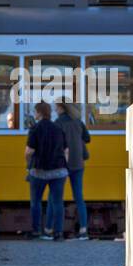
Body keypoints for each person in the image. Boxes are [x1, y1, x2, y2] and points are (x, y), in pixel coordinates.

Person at [25, 101, 68, 240]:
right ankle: (58, 233)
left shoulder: (35, 129)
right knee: (57, 202)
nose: (34, 114)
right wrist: (63, 164)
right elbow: (66, 150)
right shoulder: (58, 128)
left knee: (36, 202)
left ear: (39, 113)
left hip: (39, 171)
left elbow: (29, 151)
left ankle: (36, 230)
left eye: (35, 111)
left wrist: (28, 166)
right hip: (59, 171)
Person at [55, 100, 91, 240]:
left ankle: (51, 229)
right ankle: (83, 230)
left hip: (63, 163)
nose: (55, 110)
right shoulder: (78, 122)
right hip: (78, 163)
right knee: (79, 197)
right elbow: (87, 139)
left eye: (56, 107)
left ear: (61, 108)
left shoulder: (58, 123)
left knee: (56, 197)